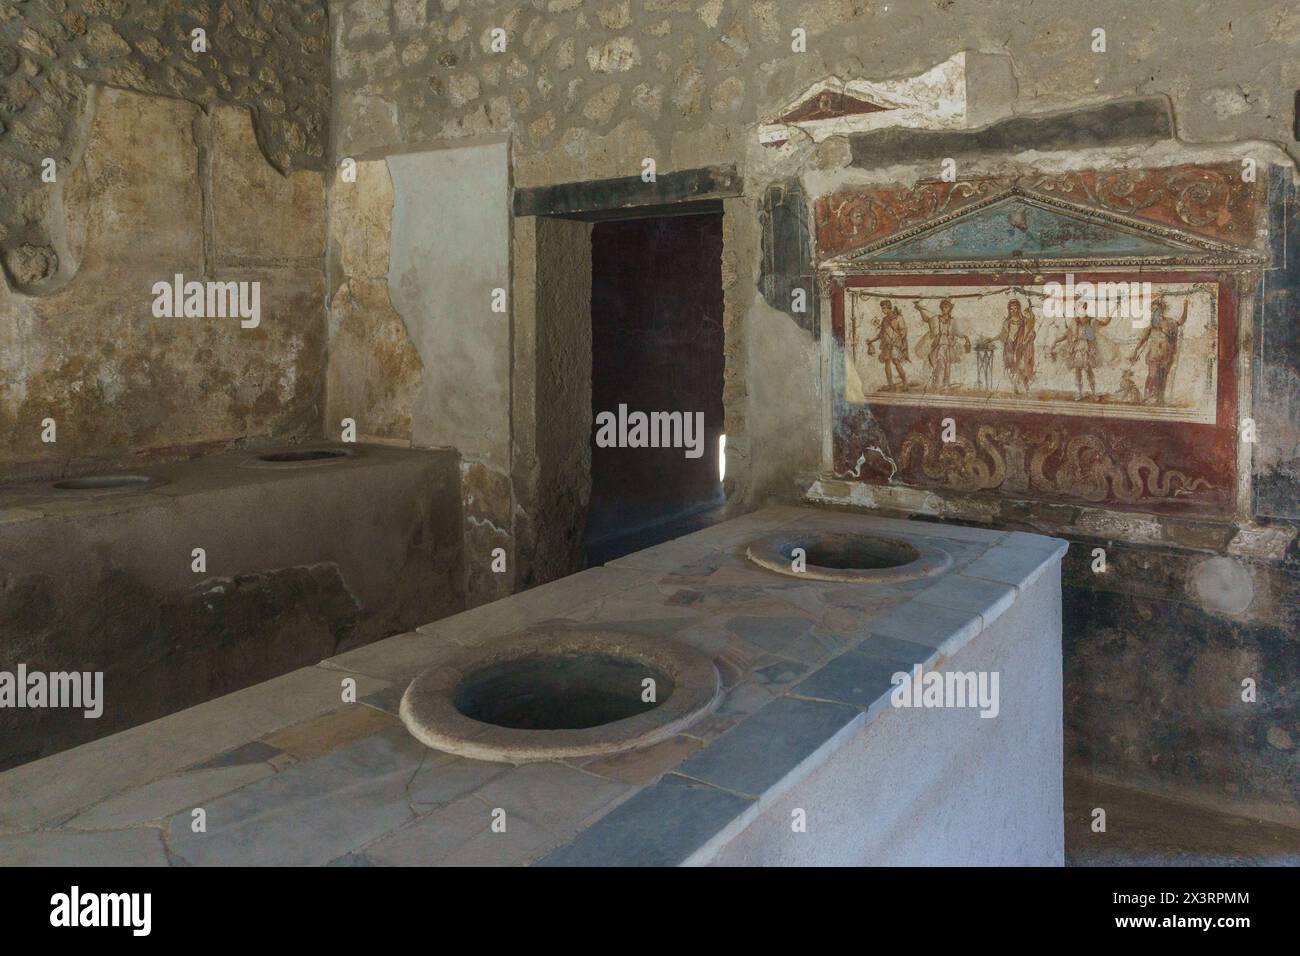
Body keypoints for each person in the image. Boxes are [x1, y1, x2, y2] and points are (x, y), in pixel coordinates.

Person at [1129, 293, 1189, 404]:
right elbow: (1143, 339)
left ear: (1161, 311)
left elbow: (1181, 321)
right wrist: (1135, 350)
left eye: (1156, 311)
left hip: (1166, 355)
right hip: (1154, 355)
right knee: (1152, 375)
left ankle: (1159, 398)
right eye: (1152, 311)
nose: (1153, 314)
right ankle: (1147, 396)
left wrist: (1186, 306)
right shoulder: (1151, 326)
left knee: (1163, 377)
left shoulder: (1170, 322)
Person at [1050, 298, 1112, 400]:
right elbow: (1067, 334)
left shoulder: (1090, 321)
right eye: (1079, 308)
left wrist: (1110, 314)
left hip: (1086, 348)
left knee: (1089, 371)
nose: (1081, 309)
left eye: (1083, 307)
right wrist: (1056, 341)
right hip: (1076, 348)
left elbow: (1096, 331)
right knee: (1078, 371)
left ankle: (1093, 393)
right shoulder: (1074, 322)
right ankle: (1079, 393)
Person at [913, 298, 971, 391]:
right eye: (943, 307)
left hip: (948, 345)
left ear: (950, 309)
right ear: (941, 308)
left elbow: (956, 332)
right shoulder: (936, 318)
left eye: (947, 307)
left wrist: (965, 337)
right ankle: (937, 384)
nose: (945, 309)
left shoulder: (952, 321)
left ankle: (946, 384)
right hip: (939, 345)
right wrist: (920, 310)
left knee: (947, 365)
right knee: (938, 364)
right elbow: (927, 319)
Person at [862, 299, 910, 390]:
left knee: (896, 362)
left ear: (889, 308)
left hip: (895, 345)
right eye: (882, 308)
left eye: (884, 308)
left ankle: (905, 384)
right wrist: (871, 340)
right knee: (887, 363)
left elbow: (903, 332)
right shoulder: (884, 320)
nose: (882, 310)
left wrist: (896, 340)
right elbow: (881, 334)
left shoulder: (898, 318)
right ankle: (891, 385)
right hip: (886, 345)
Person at [994, 298, 1037, 395]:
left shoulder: (1024, 321)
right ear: (1009, 310)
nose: (1013, 311)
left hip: (1022, 348)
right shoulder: (1007, 322)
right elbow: (1002, 335)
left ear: (1019, 308)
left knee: (1023, 368)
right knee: (1014, 369)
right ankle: (1015, 387)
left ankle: (1027, 389)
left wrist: (1028, 339)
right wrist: (992, 339)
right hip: (1010, 347)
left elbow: (1032, 332)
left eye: (1015, 308)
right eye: (1011, 309)